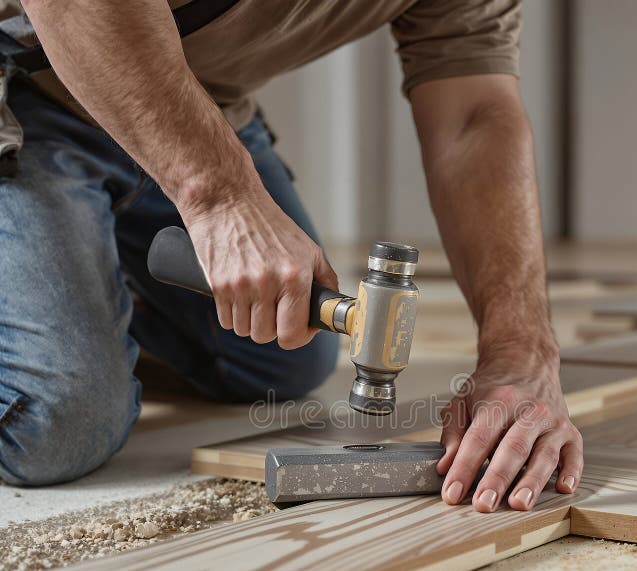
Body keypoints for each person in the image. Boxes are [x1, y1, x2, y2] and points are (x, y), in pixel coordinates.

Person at [0, 0, 583, 512]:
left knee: (279, 360)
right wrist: (222, 197)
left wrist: (520, 350)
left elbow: (473, 117)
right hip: (23, 83)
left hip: (189, 99)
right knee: (57, 426)